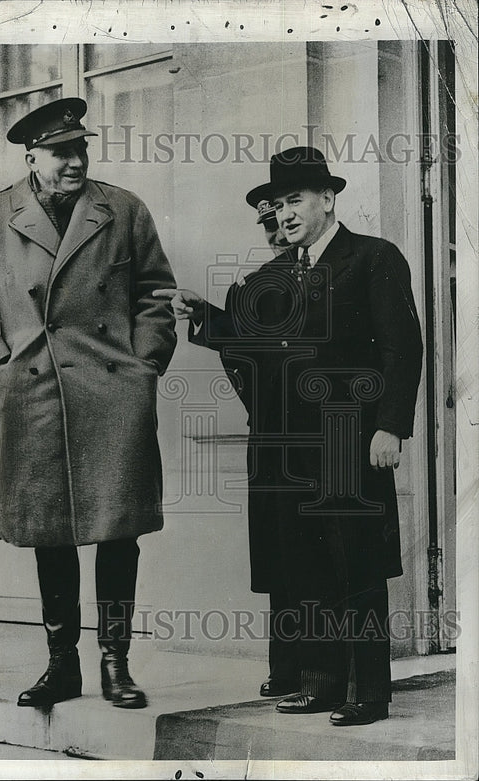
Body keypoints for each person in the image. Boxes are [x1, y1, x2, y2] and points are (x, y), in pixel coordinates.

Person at [154, 146, 423, 726]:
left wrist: (390, 427)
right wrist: (204, 315)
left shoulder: (373, 258)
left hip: (352, 441)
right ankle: (321, 687)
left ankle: (369, 693)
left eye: (295, 199)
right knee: (305, 567)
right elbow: (255, 347)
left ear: (328, 199)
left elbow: (403, 347)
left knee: (358, 567)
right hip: (288, 449)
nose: (285, 213)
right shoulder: (275, 276)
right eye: (277, 204)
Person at [0, 97, 177, 710]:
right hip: (36, 393)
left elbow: (155, 290)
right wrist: (0, 367)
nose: (76, 161)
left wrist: (144, 362)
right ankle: (61, 665)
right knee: (51, 530)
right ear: (32, 156)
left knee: (117, 528)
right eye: (61, 152)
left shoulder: (122, 209)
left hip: (112, 391)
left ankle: (115, 664)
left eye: (81, 149)